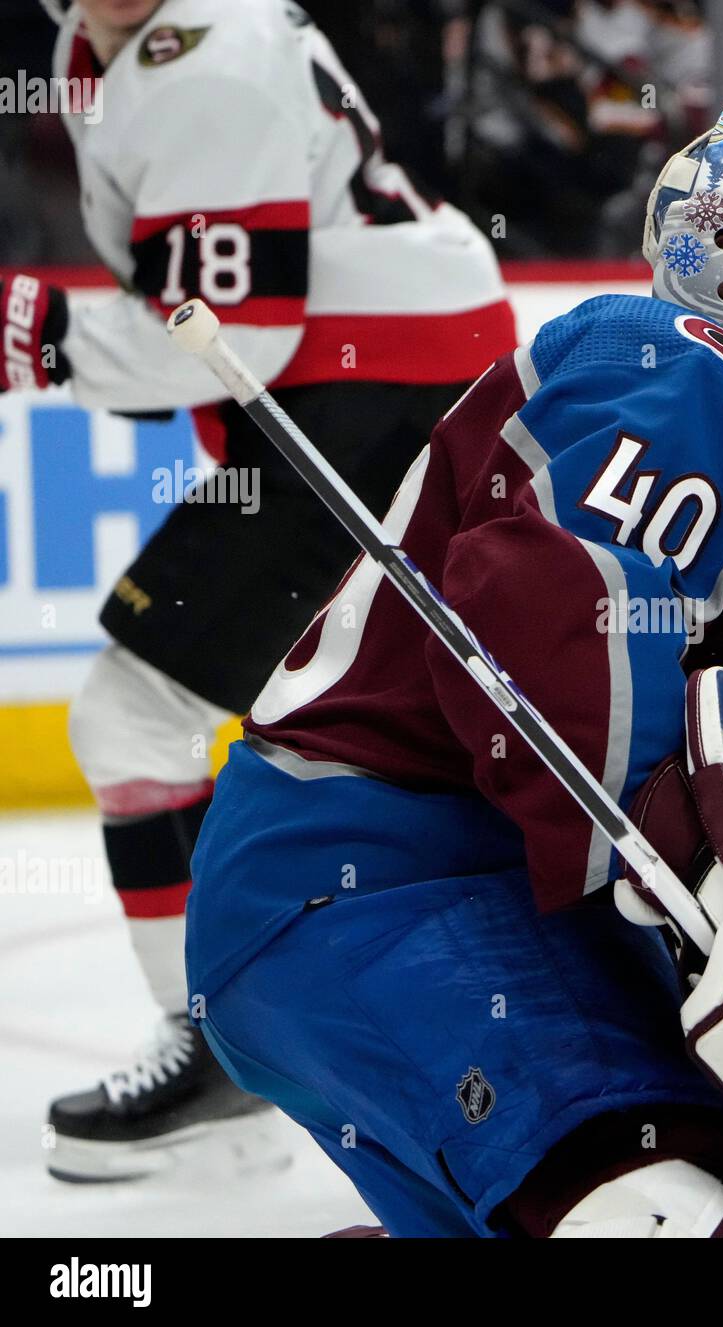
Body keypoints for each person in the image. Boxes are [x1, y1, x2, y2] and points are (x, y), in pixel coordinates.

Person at [182, 89, 723, 1237]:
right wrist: (705, 881)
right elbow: (555, 609)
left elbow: (698, 723)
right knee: (671, 1209)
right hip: (386, 884)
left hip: (383, 898)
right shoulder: (695, 367)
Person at [2, 0, 515, 1182]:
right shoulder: (127, 43)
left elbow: (226, 325)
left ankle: (227, 1058)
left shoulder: (205, 58)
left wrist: (27, 336)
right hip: (383, 385)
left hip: (373, 395)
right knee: (341, 733)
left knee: (138, 718)